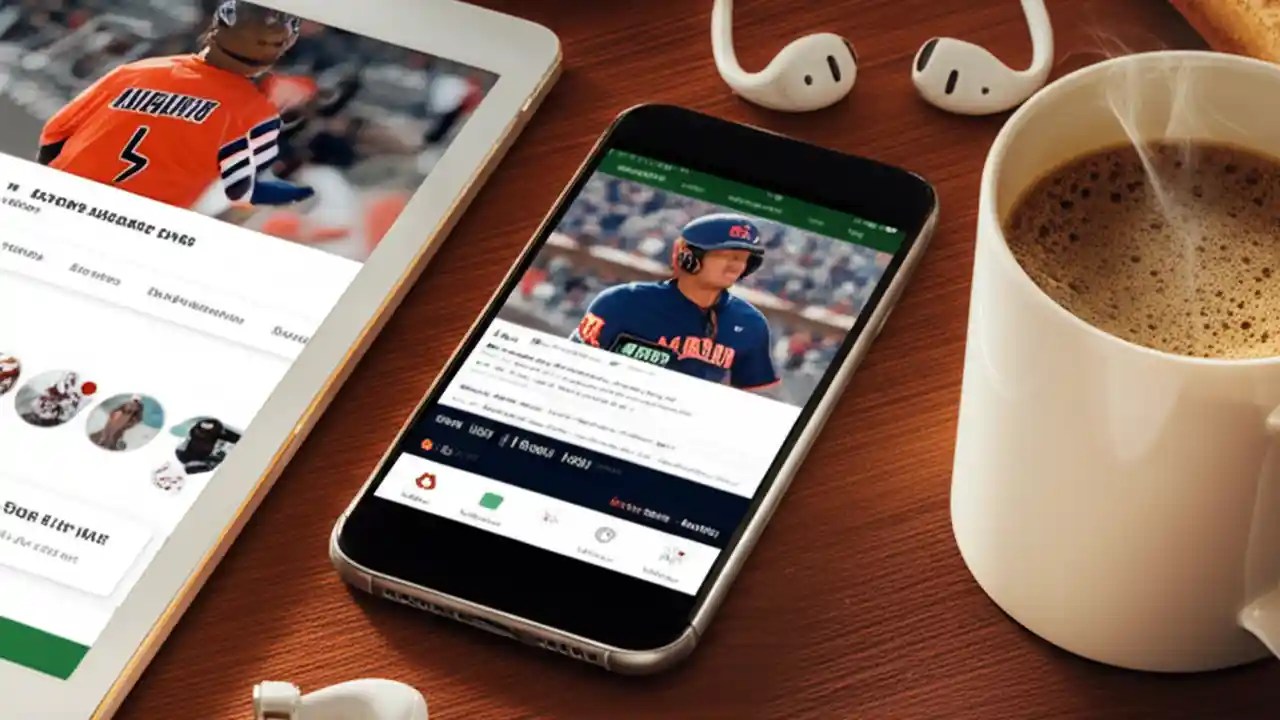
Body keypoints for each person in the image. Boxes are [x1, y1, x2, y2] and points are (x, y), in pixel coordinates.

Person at [36, 1, 314, 213]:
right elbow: (240, 190)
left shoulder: (136, 71)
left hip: (56, 196)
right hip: (137, 221)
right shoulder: (255, 112)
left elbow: (54, 134)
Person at [570, 213, 780, 392]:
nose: (735, 267)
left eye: (743, 259)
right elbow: (571, 366)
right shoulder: (621, 301)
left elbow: (753, 399)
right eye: (724, 255)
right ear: (689, 256)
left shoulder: (751, 323)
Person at [20, 371, 86, 427]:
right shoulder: (53, 388)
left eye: (72, 380)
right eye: (68, 379)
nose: (68, 382)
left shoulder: (74, 396)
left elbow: (72, 408)